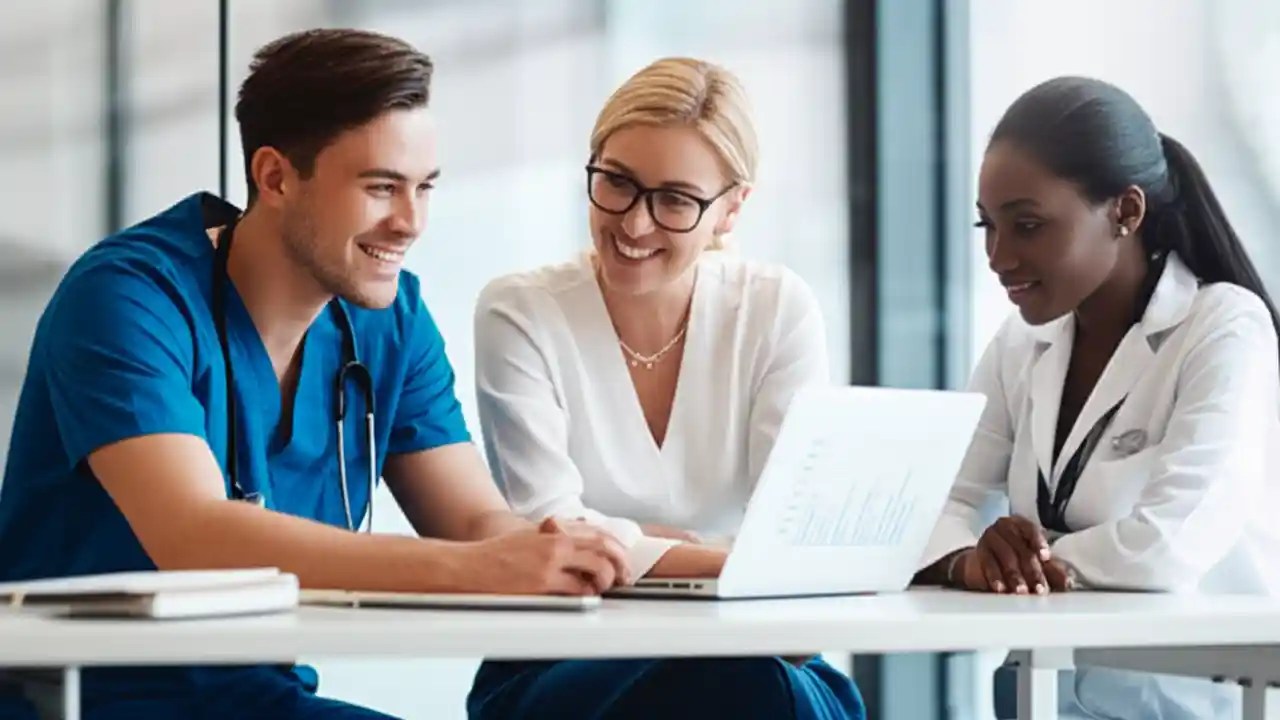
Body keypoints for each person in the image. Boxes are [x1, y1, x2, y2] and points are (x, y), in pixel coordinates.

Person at [0, 29, 631, 720]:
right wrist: (483, 569)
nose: (411, 221)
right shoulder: (129, 296)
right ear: (274, 177)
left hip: (259, 701)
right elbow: (196, 537)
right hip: (88, 700)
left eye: (424, 188)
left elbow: (475, 520)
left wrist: (629, 554)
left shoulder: (388, 318)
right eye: (381, 187)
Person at [465, 57, 865, 720]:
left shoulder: (774, 309)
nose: (635, 224)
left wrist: (627, 538)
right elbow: (552, 533)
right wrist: (723, 556)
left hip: (756, 651)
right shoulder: (521, 311)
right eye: (616, 182)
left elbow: (794, 551)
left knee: (751, 686)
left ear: (732, 209)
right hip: (567, 660)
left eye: (676, 200)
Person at [915, 76, 1280, 719]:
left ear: (1126, 212)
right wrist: (963, 561)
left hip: (1187, 699)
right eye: (987, 226)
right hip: (1041, 693)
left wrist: (1012, 565)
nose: (998, 257)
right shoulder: (1019, 345)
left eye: (1027, 226)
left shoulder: (1222, 326)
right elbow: (933, 501)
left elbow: (1169, 544)